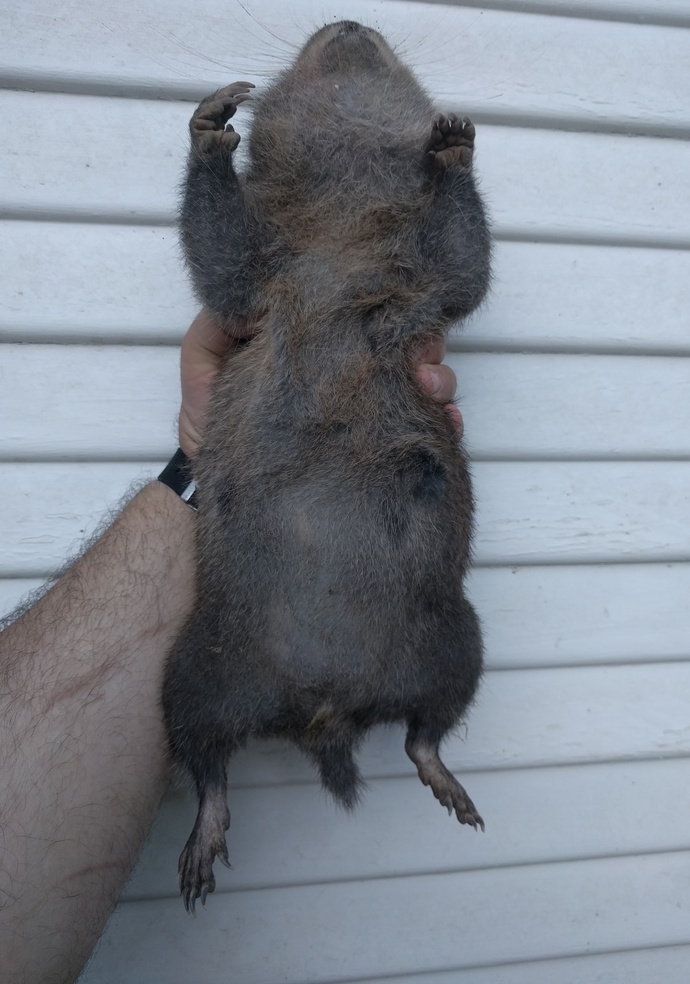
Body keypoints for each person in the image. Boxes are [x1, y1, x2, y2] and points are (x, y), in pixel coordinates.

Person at [0, 312, 462, 984]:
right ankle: (213, 797)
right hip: (277, 624)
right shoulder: (276, 336)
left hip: (375, 622)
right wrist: (211, 448)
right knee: (199, 673)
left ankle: (422, 744)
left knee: (451, 638)